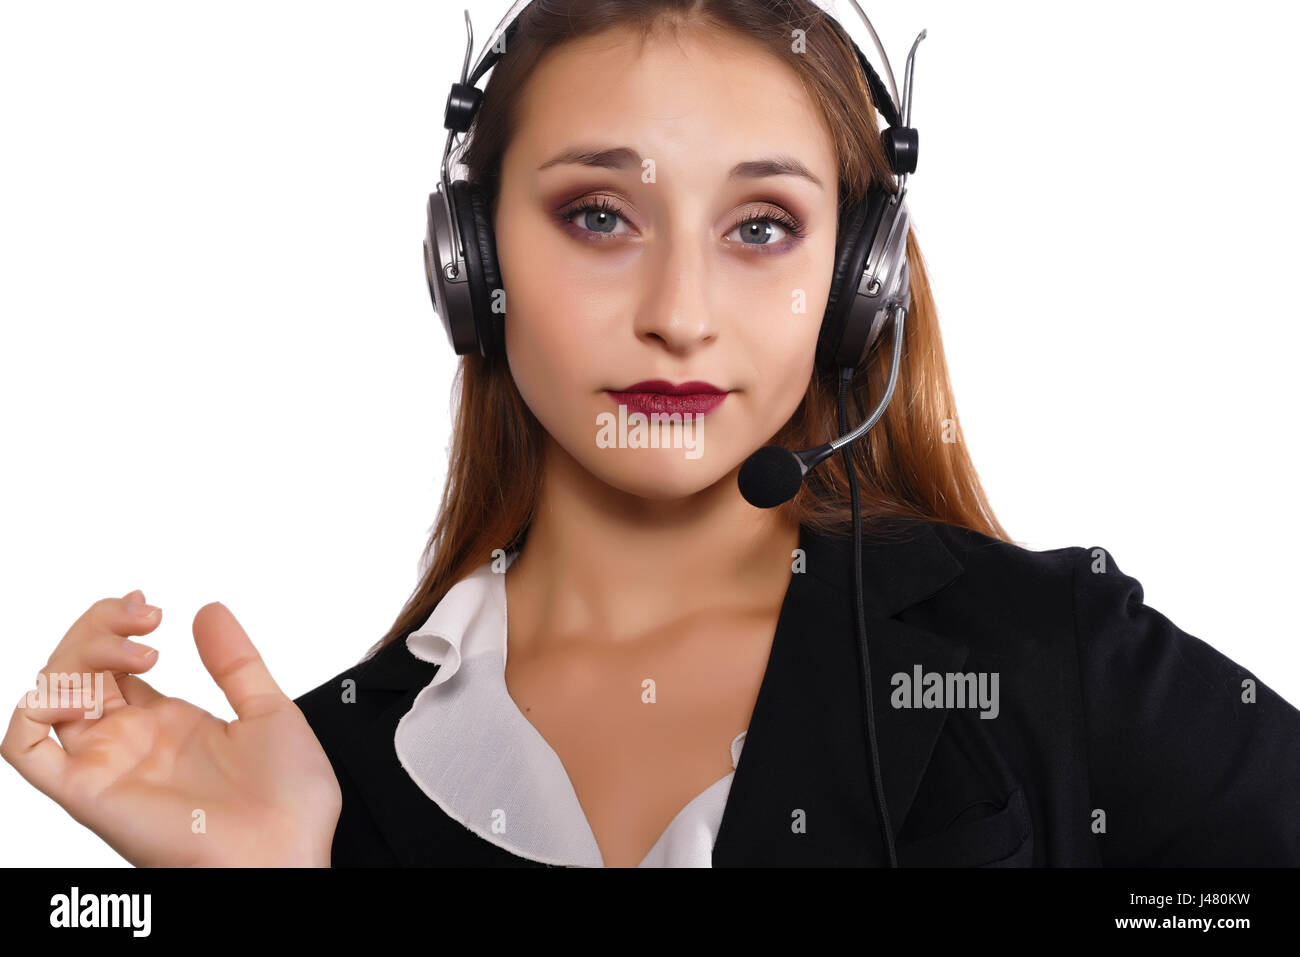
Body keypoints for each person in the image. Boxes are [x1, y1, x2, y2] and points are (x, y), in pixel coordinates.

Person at [5, 0, 1298, 868]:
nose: (681, 315)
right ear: (470, 260)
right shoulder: (316, 777)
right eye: (600, 217)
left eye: (761, 229)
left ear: (860, 285)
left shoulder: (1053, 659)